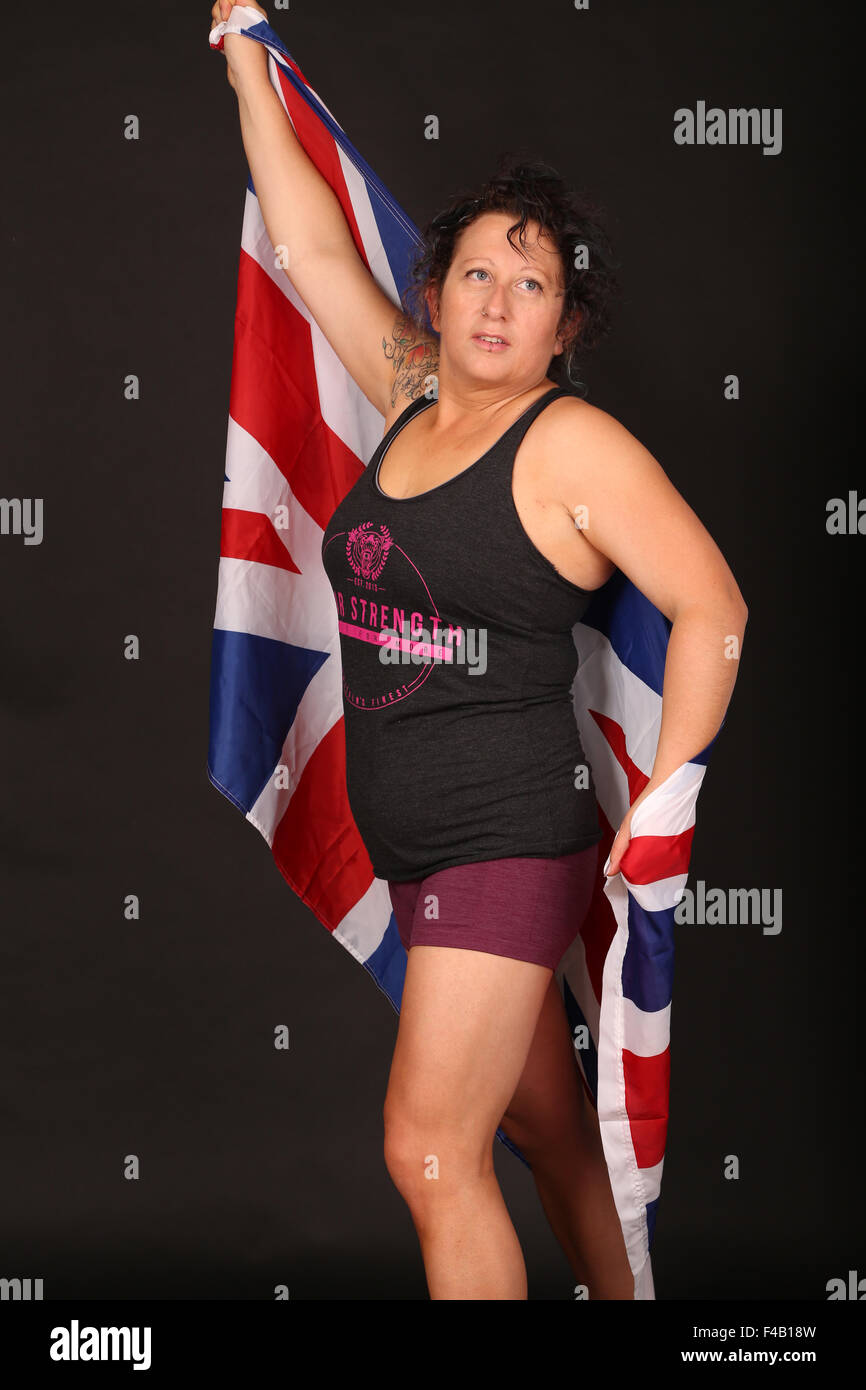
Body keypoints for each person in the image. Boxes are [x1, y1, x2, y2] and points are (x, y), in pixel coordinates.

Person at [211, 0, 748, 1301]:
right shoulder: (405, 393)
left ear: (563, 326)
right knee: (544, 1126)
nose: (500, 299)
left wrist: (664, 802)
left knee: (430, 1154)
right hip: (415, 841)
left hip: (505, 840)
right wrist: (241, 53)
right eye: (478, 273)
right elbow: (308, 244)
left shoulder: (568, 446)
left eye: (534, 283)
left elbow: (713, 610)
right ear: (438, 292)